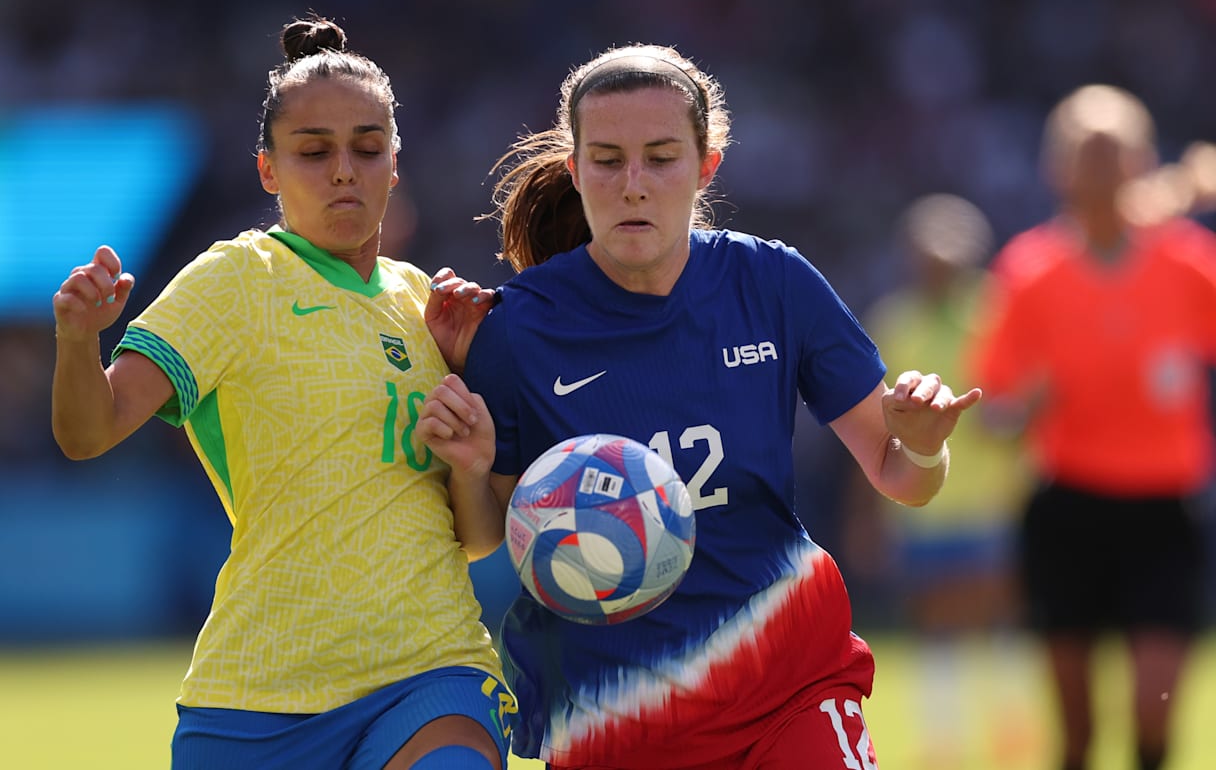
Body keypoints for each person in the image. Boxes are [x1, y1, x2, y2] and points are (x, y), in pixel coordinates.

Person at [415, 44, 981, 769]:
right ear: (575, 170)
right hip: (612, 717)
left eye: (661, 157)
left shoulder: (773, 283)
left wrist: (924, 445)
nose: (634, 185)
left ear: (706, 165)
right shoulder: (518, 329)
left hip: (789, 688)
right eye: (608, 160)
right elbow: (481, 537)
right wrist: (468, 467)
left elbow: (900, 475)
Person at [50, 16, 514, 770]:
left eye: (367, 149)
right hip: (263, 690)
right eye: (314, 151)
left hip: (433, 668)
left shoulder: (426, 306)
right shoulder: (234, 281)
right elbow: (87, 432)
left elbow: (477, 539)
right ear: (268, 169)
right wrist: (77, 339)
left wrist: (469, 464)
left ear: (395, 164)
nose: (343, 171)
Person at [969, 84, 1216, 770]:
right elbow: (994, 412)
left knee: (1153, 707)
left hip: (1164, 510)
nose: (1102, 170)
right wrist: (1025, 410)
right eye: (1088, 154)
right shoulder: (1029, 273)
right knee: (1076, 733)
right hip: (1068, 508)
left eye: (1114, 154)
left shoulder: (1190, 263)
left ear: (1141, 161)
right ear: (1059, 168)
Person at [847, 193, 1034, 768]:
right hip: (923, 505)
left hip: (998, 502)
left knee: (1001, 614)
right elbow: (872, 423)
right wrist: (868, 511)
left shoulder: (999, 314)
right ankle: (944, 739)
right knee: (936, 621)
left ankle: (1013, 733)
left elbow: (1031, 398)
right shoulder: (893, 322)